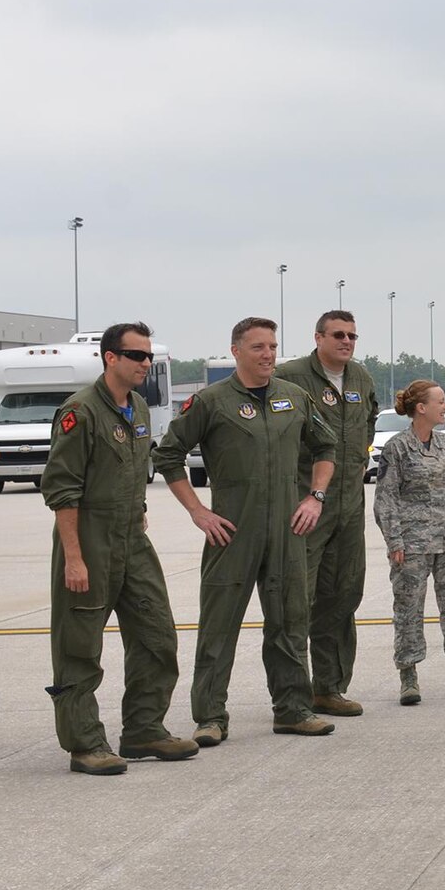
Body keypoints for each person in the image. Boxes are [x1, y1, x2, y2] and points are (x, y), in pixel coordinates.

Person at [153, 317, 339, 743]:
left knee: (290, 624)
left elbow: (326, 447)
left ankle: (293, 709)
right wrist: (198, 511)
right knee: (219, 627)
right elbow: (168, 456)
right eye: (258, 347)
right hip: (232, 533)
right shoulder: (211, 402)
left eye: (272, 346)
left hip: (287, 533)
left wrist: (315, 497)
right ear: (236, 351)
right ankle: (210, 717)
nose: (268, 354)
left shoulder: (294, 398)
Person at [41, 323, 197, 774]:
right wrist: (73, 556)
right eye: (135, 355)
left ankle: (144, 729)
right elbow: (62, 489)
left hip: (132, 537)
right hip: (88, 538)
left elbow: (133, 467)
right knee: (79, 646)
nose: (144, 364)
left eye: (147, 356)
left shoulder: (141, 408)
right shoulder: (80, 411)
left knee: (157, 633)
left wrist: (139, 508)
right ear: (110, 357)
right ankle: (85, 743)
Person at [277, 311, 381, 717]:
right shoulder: (291, 377)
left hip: (349, 505)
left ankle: (329, 687)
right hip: (304, 504)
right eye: (338, 335)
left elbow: (367, 428)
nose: (347, 341)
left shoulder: (360, 378)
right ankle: (292, 693)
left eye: (352, 335)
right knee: (296, 599)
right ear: (318, 337)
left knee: (342, 595)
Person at [375, 380, 445, 706]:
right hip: (411, 544)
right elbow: (385, 500)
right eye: (441, 401)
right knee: (408, 609)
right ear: (421, 408)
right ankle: (408, 676)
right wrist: (394, 540)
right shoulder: (397, 448)